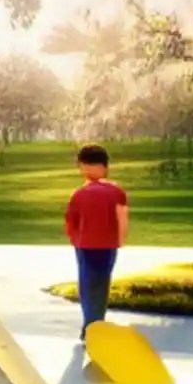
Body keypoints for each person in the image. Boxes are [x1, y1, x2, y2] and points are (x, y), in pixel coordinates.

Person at [65, 144, 129, 340]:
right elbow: (122, 218)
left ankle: (89, 324)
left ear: (86, 166)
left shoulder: (79, 194)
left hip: (84, 245)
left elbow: (70, 222)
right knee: (102, 282)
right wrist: (120, 240)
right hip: (108, 245)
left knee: (86, 282)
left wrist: (74, 239)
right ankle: (97, 322)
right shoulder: (117, 191)